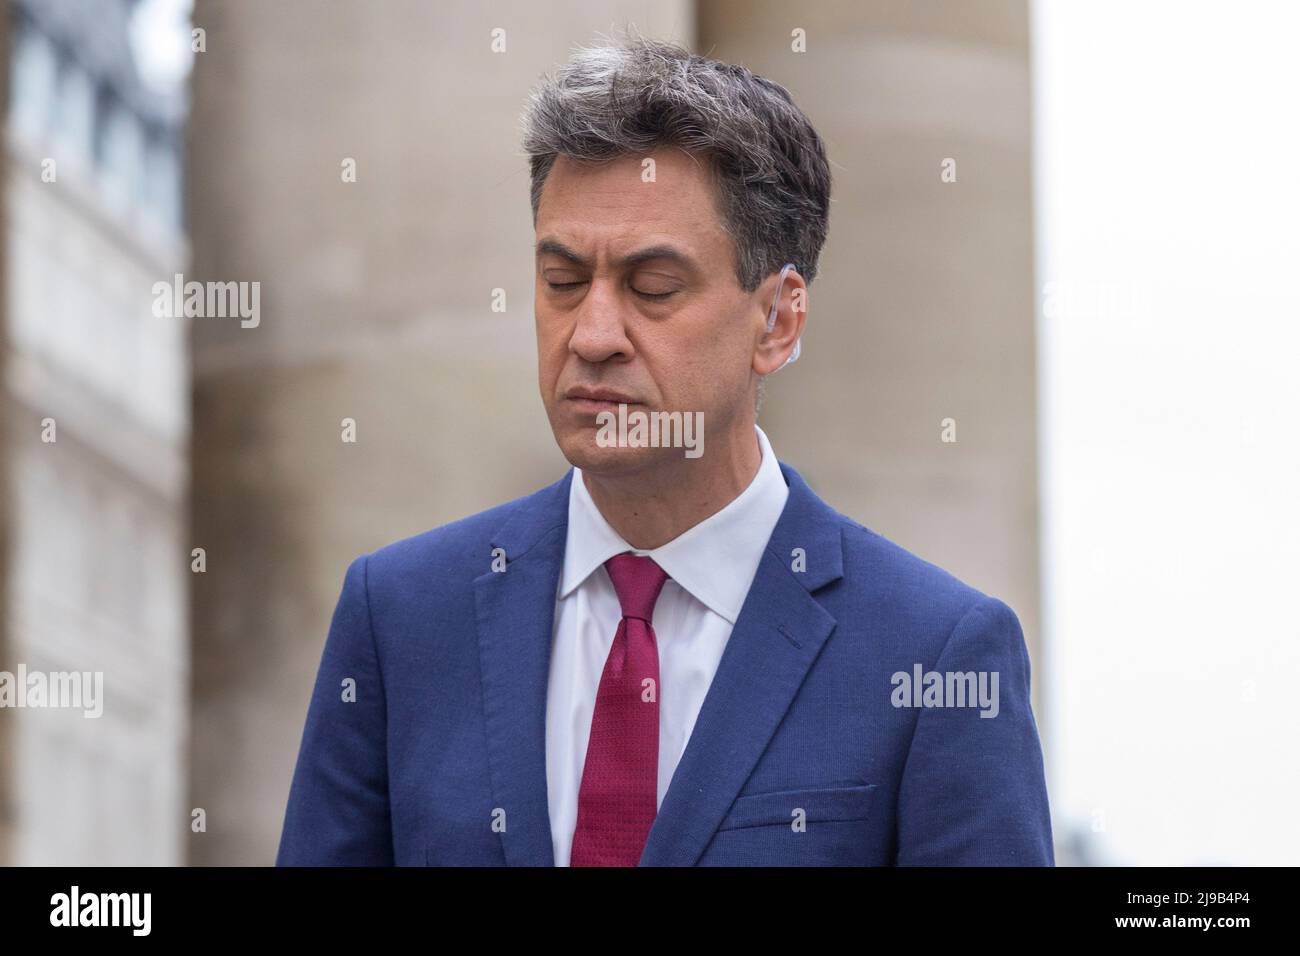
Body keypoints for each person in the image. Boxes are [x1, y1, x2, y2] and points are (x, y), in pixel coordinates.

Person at [276, 35, 1053, 867]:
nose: (594, 334)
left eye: (653, 288)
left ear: (778, 320)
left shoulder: (934, 651)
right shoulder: (399, 618)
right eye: (562, 282)